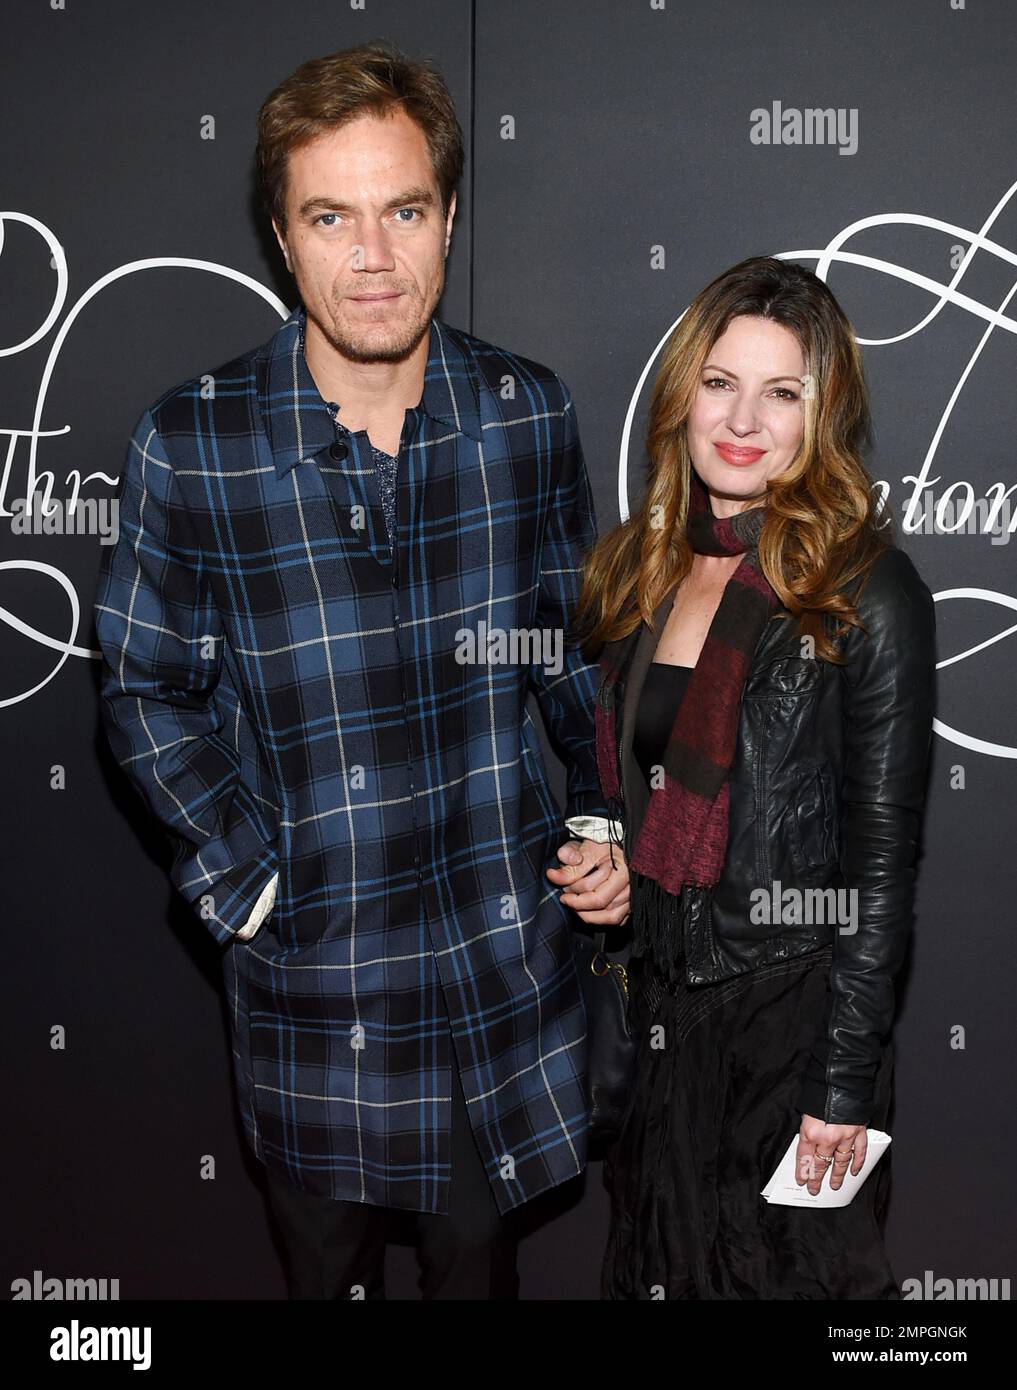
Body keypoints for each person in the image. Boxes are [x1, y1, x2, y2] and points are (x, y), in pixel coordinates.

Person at [92, 40, 628, 1301]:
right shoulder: (194, 444)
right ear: (284, 237)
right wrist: (250, 888)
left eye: (404, 211)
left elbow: (574, 644)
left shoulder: (524, 414)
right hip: (319, 1000)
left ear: (448, 219)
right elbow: (143, 687)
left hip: (500, 982)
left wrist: (601, 811)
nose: (373, 258)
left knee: (476, 1280)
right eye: (331, 215)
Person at [569, 255, 936, 1299]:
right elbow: (634, 783)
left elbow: (880, 864)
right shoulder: (641, 569)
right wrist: (608, 860)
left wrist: (841, 1086)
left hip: (794, 1024)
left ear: (821, 419)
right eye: (722, 381)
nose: (744, 418)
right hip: (667, 1019)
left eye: (783, 393)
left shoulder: (867, 590)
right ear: (683, 391)